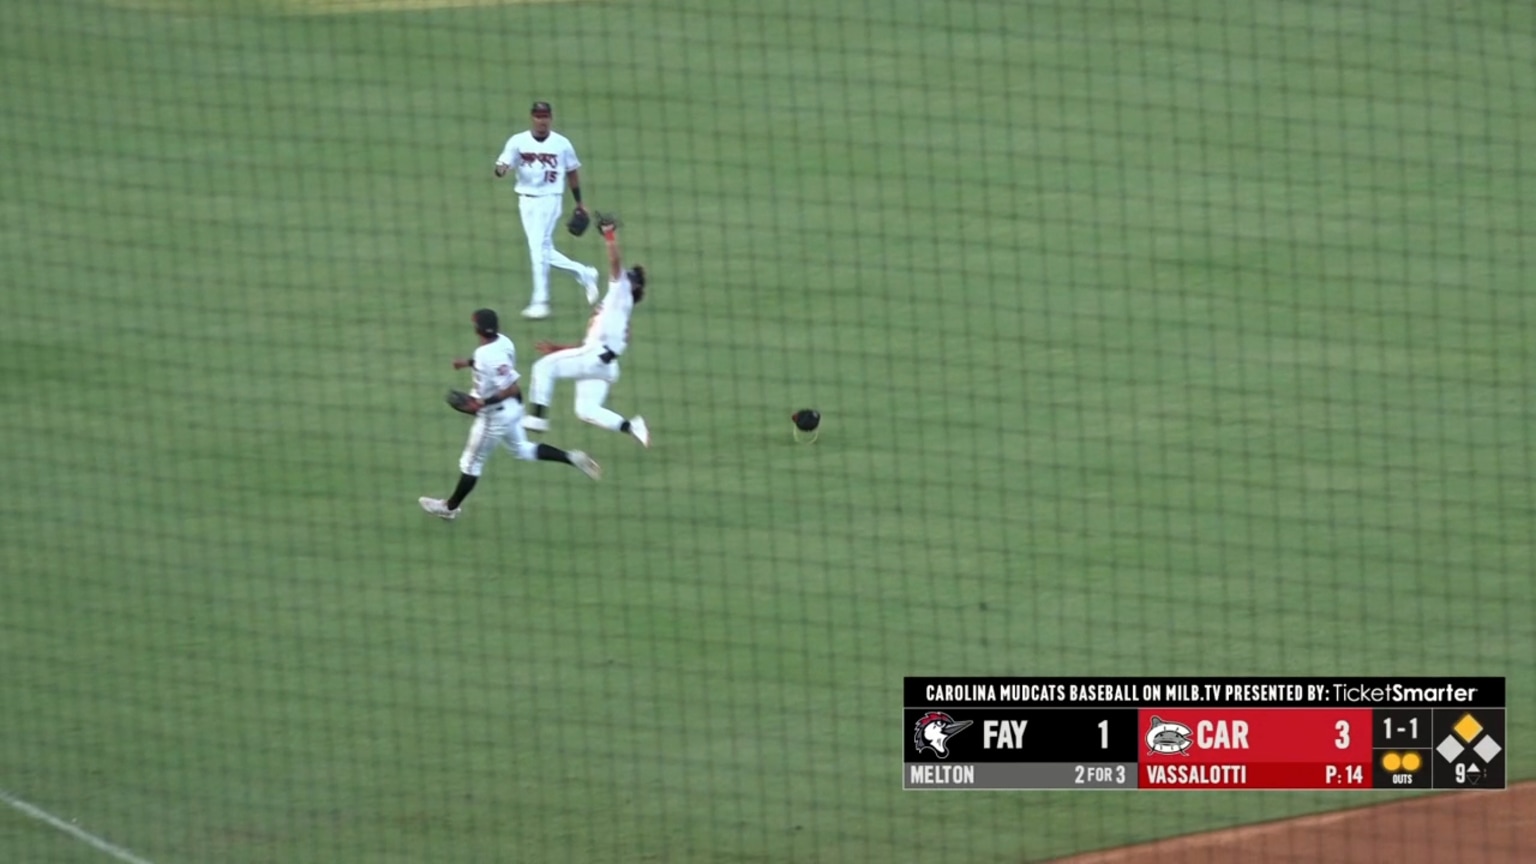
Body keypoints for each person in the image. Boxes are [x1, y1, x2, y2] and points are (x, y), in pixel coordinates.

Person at [420, 308, 601, 521]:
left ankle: (449, 508)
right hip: (513, 411)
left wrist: (481, 403)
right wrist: (467, 363)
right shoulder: (504, 342)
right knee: (522, 449)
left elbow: (511, 387)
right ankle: (572, 457)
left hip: (494, 416)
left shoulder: (487, 354)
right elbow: (492, 365)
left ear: (477, 329)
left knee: (471, 462)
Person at [522, 214, 650, 448]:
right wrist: (558, 348)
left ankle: (537, 419)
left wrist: (610, 235)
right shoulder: (616, 306)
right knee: (586, 410)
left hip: (598, 358)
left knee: (544, 367)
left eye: (630, 278)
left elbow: (614, 263)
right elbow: (589, 344)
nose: (624, 277)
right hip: (602, 363)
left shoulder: (622, 292)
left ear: (635, 287)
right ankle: (633, 427)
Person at [494, 101, 600, 320]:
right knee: (543, 249)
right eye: (538, 116)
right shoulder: (518, 141)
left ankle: (540, 302)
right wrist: (501, 169)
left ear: (551, 118)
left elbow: (572, 173)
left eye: (545, 116)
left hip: (550, 199)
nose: (542, 120)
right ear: (532, 117)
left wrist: (579, 202)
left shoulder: (562, 144)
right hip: (525, 200)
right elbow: (502, 165)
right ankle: (585, 273)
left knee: (537, 248)